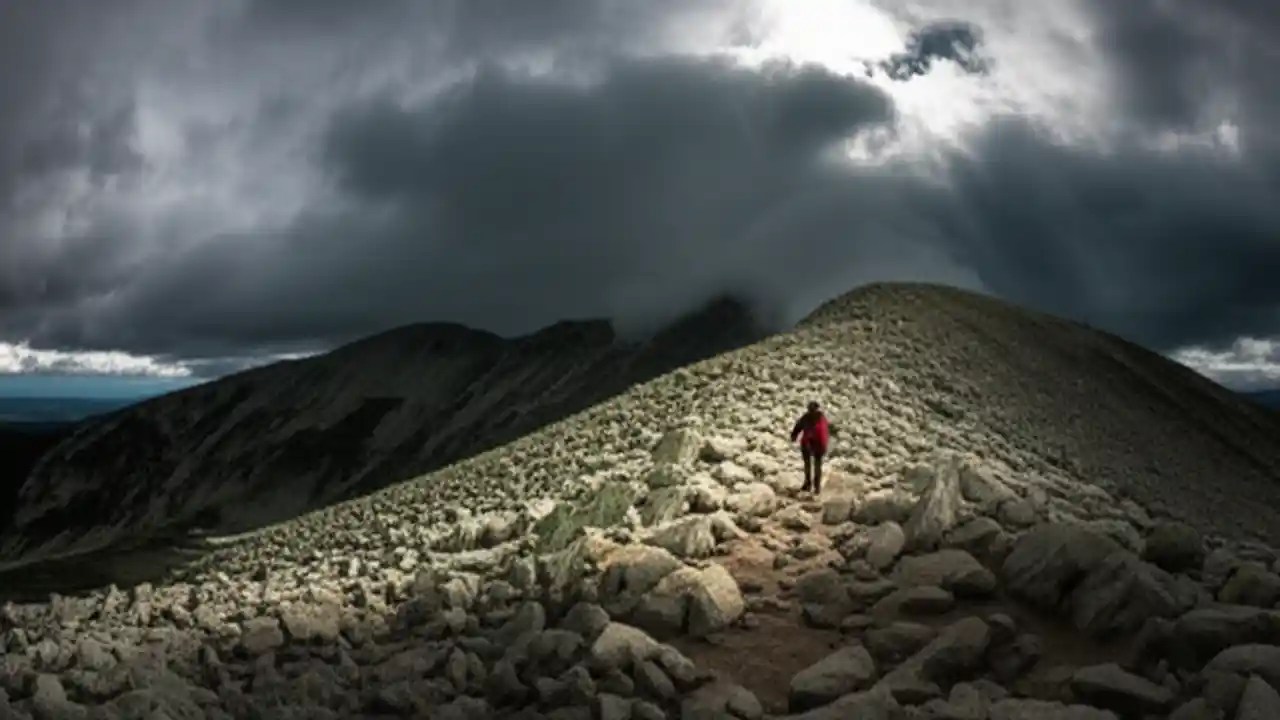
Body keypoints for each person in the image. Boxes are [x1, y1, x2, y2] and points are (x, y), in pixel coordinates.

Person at [790, 401, 830, 494]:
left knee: (811, 465)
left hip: (811, 443)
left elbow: (798, 426)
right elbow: (826, 432)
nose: (811, 411)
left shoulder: (808, 417)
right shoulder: (820, 418)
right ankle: (814, 486)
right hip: (814, 444)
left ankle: (810, 485)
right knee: (815, 465)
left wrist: (794, 435)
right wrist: (794, 435)